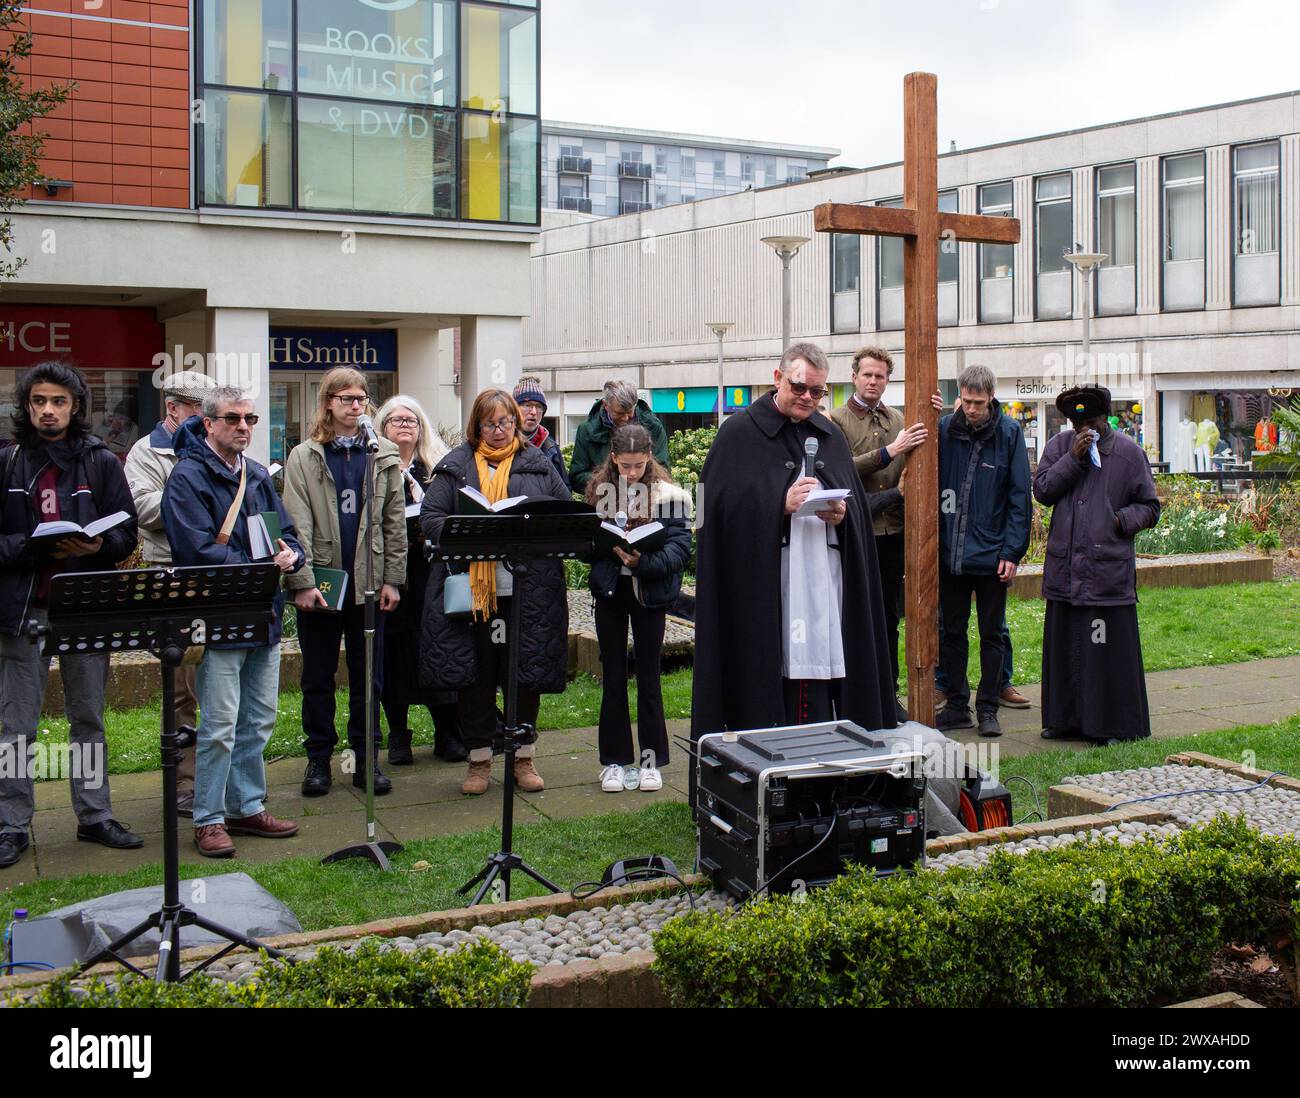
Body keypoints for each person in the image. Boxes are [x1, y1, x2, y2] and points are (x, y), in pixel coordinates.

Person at [691, 342, 897, 743]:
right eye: (798, 387)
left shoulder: (829, 435)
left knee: (821, 668)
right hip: (770, 583)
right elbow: (711, 509)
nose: (807, 397)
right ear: (777, 378)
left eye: (816, 392)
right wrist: (776, 505)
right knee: (772, 669)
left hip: (823, 580)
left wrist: (842, 516)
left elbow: (852, 503)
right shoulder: (739, 434)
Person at [0, 362, 142, 870]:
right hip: (24, 610)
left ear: (75, 406)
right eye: (39, 401)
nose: (48, 410)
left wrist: (101, 542)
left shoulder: (101, 461)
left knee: (88, 717)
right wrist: (32, 549)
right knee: (16, 726)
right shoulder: (8, 460)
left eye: (58, 401)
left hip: (84, 608)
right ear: (27, 406)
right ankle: (12, 823)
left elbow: (127, 534)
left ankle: (94, 815)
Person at [162, 387, 305, 857]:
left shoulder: (258, 475)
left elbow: (284, 532)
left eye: (250, 418)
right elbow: (195, 551)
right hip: (219, 616)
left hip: (262, 612)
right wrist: (262, 565)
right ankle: (208, 818)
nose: (243, 426)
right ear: (208, 424)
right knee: (220, 723)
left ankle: (245, 805)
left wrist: (291, 553)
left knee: (259, 719)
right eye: (233, 418)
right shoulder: (187, 478)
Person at [419, 390, 571, 796]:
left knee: (523, 674)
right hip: (474, 590)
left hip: (527, 589)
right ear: (477, 426)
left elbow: (564, 512)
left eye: (506, 422)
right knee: (477, 676)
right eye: (490, 423)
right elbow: (431, 516)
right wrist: (468, 534)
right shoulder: (456, 466)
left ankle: (524, 758)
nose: (500, 430)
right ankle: (479, 761)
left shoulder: (538, 464)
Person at [282, 368, 407, 798]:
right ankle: (318, 759)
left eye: (362, 399)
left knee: (367, 674)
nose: (357, 406)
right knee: (317, 675)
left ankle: (365, 759)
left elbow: (394, 523)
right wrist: (302, 580)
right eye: (347, 399)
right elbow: (294, 522)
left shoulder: (382, 453)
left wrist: (393, 579)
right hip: (322, 582)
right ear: (328, 402)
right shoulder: (305, 455)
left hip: (368, 582)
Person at [1034, 385, 1161, 745]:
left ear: (1105, 418)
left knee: (1102, 650)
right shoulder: (1059, 447)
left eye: (1090, 421)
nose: (1083, 429)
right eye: (1076, 423)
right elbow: (1042, 491)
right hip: (1065, 570)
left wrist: (1119, 521)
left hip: (1106, 571)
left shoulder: (1128, 453)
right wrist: (1072, 458)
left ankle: (1109, 725)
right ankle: (1064, 720)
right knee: (1066, 648)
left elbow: (1150, 507)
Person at [124, 370, 219, 817]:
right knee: (181, 683)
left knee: (216, 679)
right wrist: (189, 501)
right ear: (174, 410)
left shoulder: (217, 444)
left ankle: (221, 779)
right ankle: (184, 782)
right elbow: (140, 508)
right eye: (200, 411)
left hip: (214, 572)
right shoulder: (146, 453)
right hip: (171, 573)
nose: (207, 419)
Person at [585, 424, 692, 793]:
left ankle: (650, 761)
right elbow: (586, 546)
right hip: (611, 593)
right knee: (612, 676)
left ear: (649, 458)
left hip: (649, 594)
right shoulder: (600, 492)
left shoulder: (670, 496)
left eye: (638, 466)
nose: (631, 473)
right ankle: (614, 761)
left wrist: (639, 562)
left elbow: (679, 550)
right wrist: (605, 548)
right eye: (625, 466)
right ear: (613, 459)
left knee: (649, 677)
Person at [827, 346, 928, 722]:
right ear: (854, 376)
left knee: (888, 618)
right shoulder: (834, 420)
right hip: (854, 531)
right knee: (850, 614)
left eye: (880, 376)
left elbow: (918, 457)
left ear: (888, 380)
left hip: (893, 534)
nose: (873, 381)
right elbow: (840, 470)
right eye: (867, 374)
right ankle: (850, 695)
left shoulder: (899, 418)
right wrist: (889, 452)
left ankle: (888, 694)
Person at [933, 366, 1032, 738]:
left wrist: (1012, 552)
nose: (971, 409)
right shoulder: (946, 429)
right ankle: (958, 705)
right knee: (951, 632)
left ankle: (988, 707)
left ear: (991, 397)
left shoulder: (1009, 433)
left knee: (992, 634)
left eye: (978, 402)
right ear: (959, 394)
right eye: (966, 401)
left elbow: (1020, 496)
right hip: (952, 556)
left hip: (991, 555)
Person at [374, 396, 466, 765]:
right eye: (396, 420)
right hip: (390, 576)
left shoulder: (438, 468)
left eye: (411, 419)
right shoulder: (375, 468)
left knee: (440, 648)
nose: (404, 425)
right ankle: (399, 735)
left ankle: (448, 732)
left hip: (433, 573)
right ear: (382, 428)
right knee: (395, 656)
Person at [569, 380, 669, 495]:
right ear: (605, 405)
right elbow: (577, 477)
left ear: (635, 405)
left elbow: (663, 470)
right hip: (603, 501)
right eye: (620, 413)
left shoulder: (653, 426)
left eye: (630, 411)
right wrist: (609, 483)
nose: (626, 418)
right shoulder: (586, 430)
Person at [513, 376, 569, 489]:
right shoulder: (502, 442)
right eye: (527, 405)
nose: (533, 412)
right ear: (514, 409)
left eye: (539, 407)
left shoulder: (551, 448)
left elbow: (564, 488)